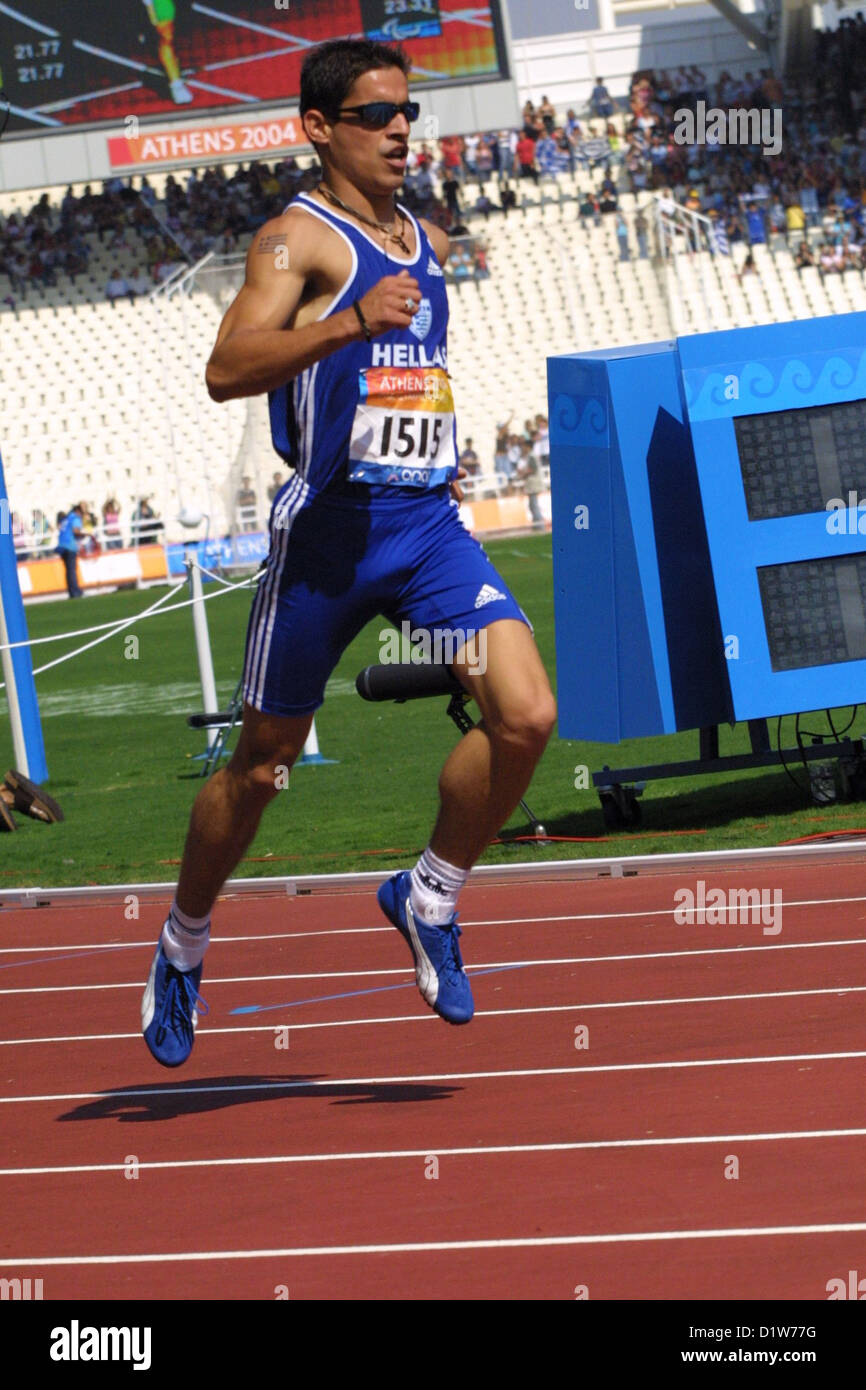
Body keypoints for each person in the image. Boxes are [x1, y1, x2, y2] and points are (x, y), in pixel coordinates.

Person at [140, 37, 556, 1067]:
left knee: (527, 712)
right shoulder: (295, 241)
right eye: (376, 115)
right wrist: (344, 323)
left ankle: (427, 893)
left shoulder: (424, 237)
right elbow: (227, 366)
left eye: (406, 112)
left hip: (420, 529)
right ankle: (183, 943)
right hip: (326, 537)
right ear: (318, 127)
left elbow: (405, 374)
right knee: (264, 764)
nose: (401, 131)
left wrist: (432, 439)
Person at [56, 505, 84, 598]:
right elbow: (76, 531)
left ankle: (71, 592)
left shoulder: (65, 519)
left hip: (61, 546)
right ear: (77, 511)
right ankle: (75, 591)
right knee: (72, 570)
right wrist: (85, 534)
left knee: (68, 570)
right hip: (70, 546)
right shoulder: (75, 518)